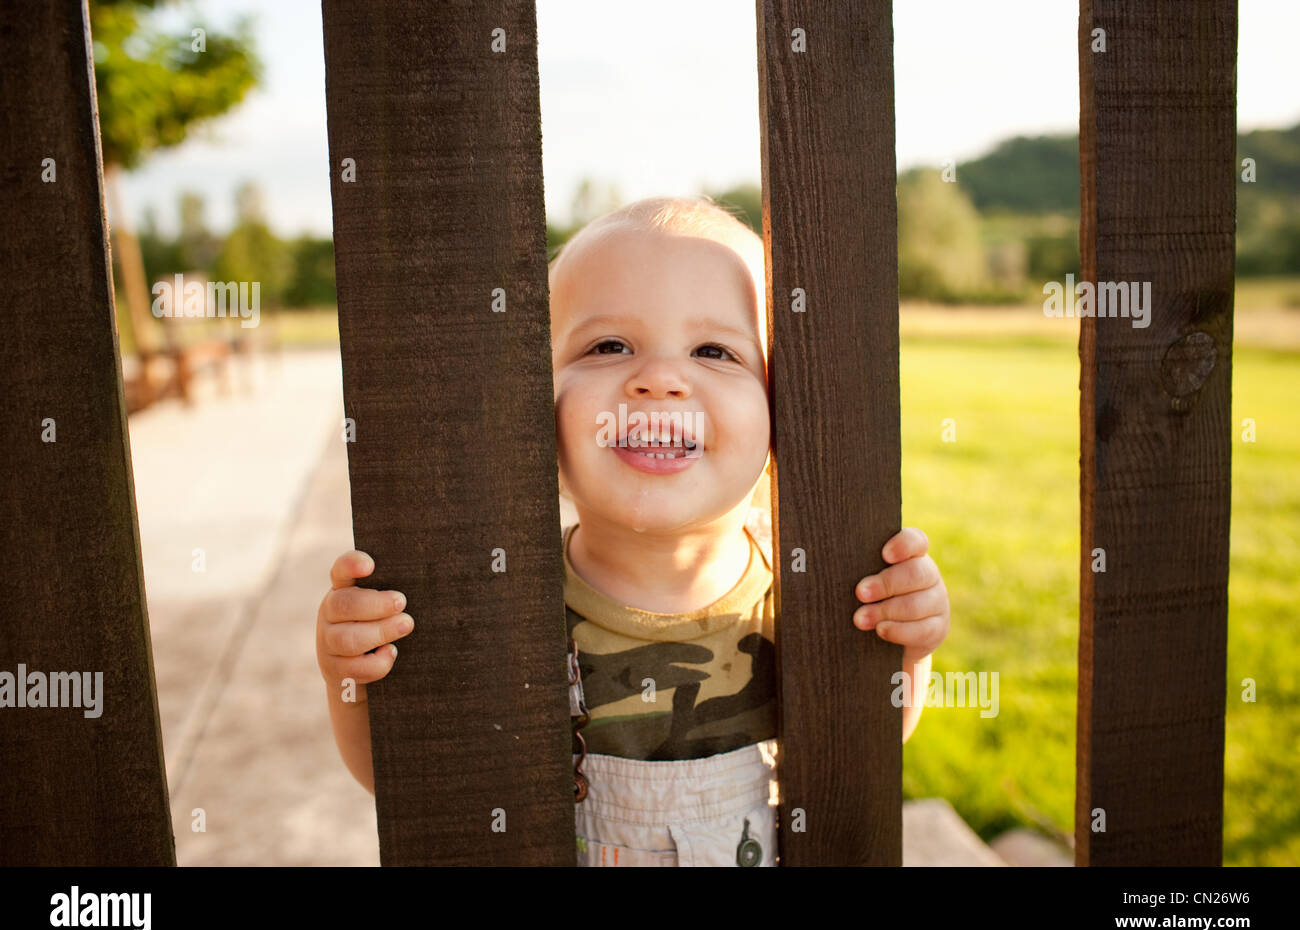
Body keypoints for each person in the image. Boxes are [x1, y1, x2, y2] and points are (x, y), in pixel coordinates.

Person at [316, 196, 951, 866]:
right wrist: (352, 681)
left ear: (781, 400)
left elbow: (866, 751)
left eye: (714, 350)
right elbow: (407, 780)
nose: (659, 381)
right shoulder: (497, 602)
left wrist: (906, 650)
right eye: (608, 346)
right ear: (533, 398)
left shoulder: (803, 588)